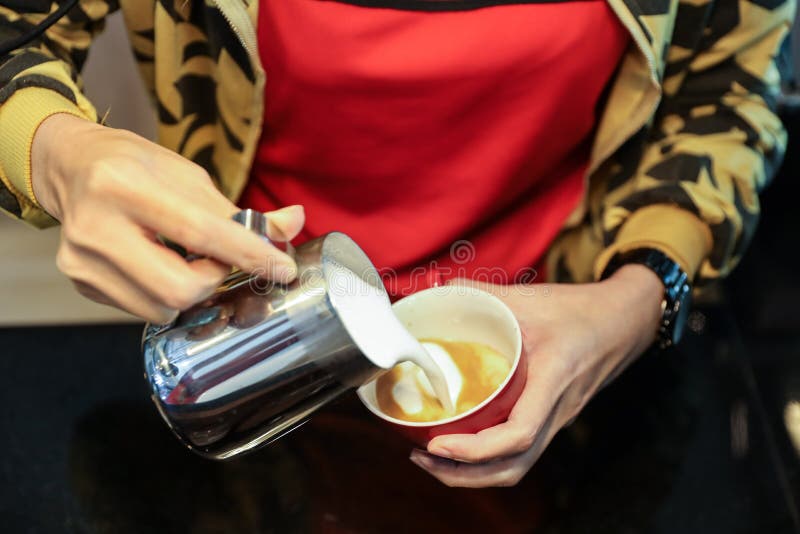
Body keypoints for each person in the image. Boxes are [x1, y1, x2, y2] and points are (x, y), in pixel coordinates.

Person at [0, 0, 793, 488]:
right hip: (263, 326)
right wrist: (58, 153)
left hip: (568, 335)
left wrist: (637, 298)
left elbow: (735, 89)